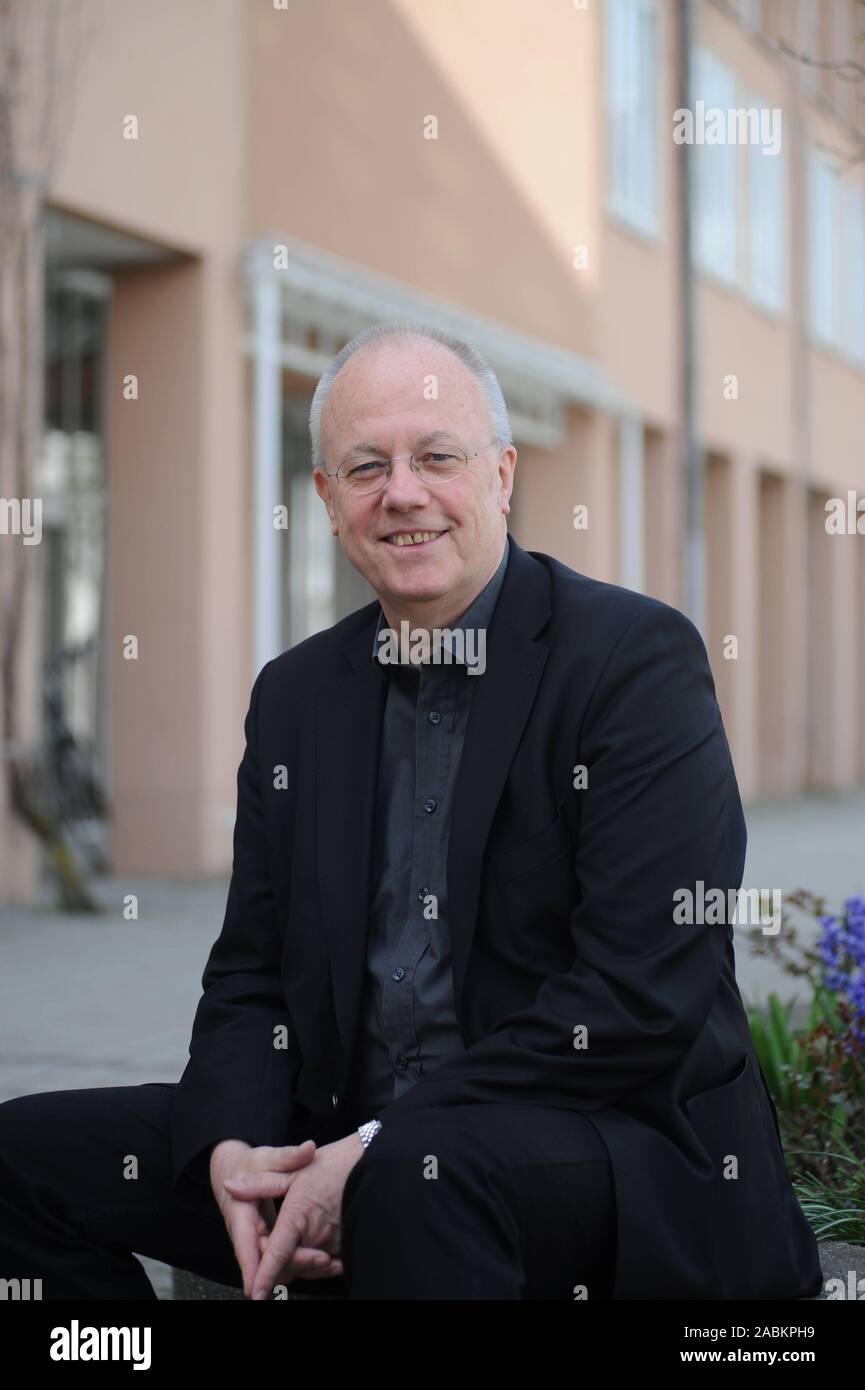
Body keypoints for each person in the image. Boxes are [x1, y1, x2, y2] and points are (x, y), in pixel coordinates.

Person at [0, 321, 823, 1301]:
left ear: (503, 474)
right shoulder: (297, 697)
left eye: (437, 456)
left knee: (421, 1176)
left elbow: (639, 996)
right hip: (347, 1138)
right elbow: (251, 974)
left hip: (605, 1152)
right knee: (19, 1159)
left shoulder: (630, 662)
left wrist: (379, 1145)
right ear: (324, 499)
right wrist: (233, 1145)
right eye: (364, 467)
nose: (402, 492)